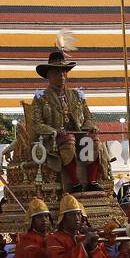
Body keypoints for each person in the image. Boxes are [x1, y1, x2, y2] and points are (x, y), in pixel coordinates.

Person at [30, 50, 104, 193]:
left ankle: (92, 181)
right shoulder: (41, 98)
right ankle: (75, 183)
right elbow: (35, 124)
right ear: (49, 76)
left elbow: (89, 116)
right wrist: (54, 131)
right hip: (53, 139)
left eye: (64, 72)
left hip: (77, 132)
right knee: (68, 140)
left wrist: (90, 127)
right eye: (57, 72)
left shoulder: (77, 95)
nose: (61, 76)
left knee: (92, 140)